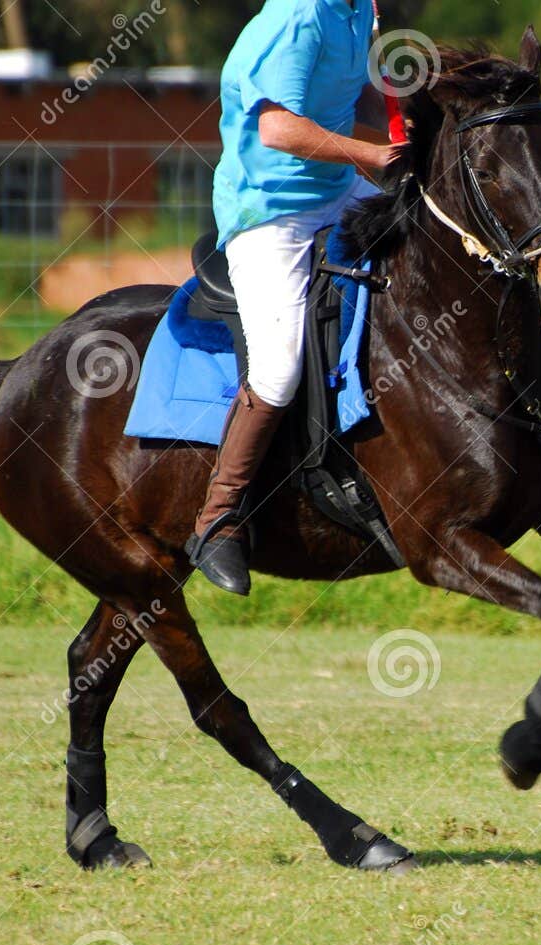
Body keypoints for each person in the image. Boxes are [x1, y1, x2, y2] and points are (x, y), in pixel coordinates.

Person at [188, 0, 402, 596]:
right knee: (278, 369)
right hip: (270, 211)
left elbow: (340, 108)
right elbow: (277, 129)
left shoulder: (359, 10)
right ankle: (217, 519)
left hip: (337, 191)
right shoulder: (300, 14)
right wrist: (373, 155)